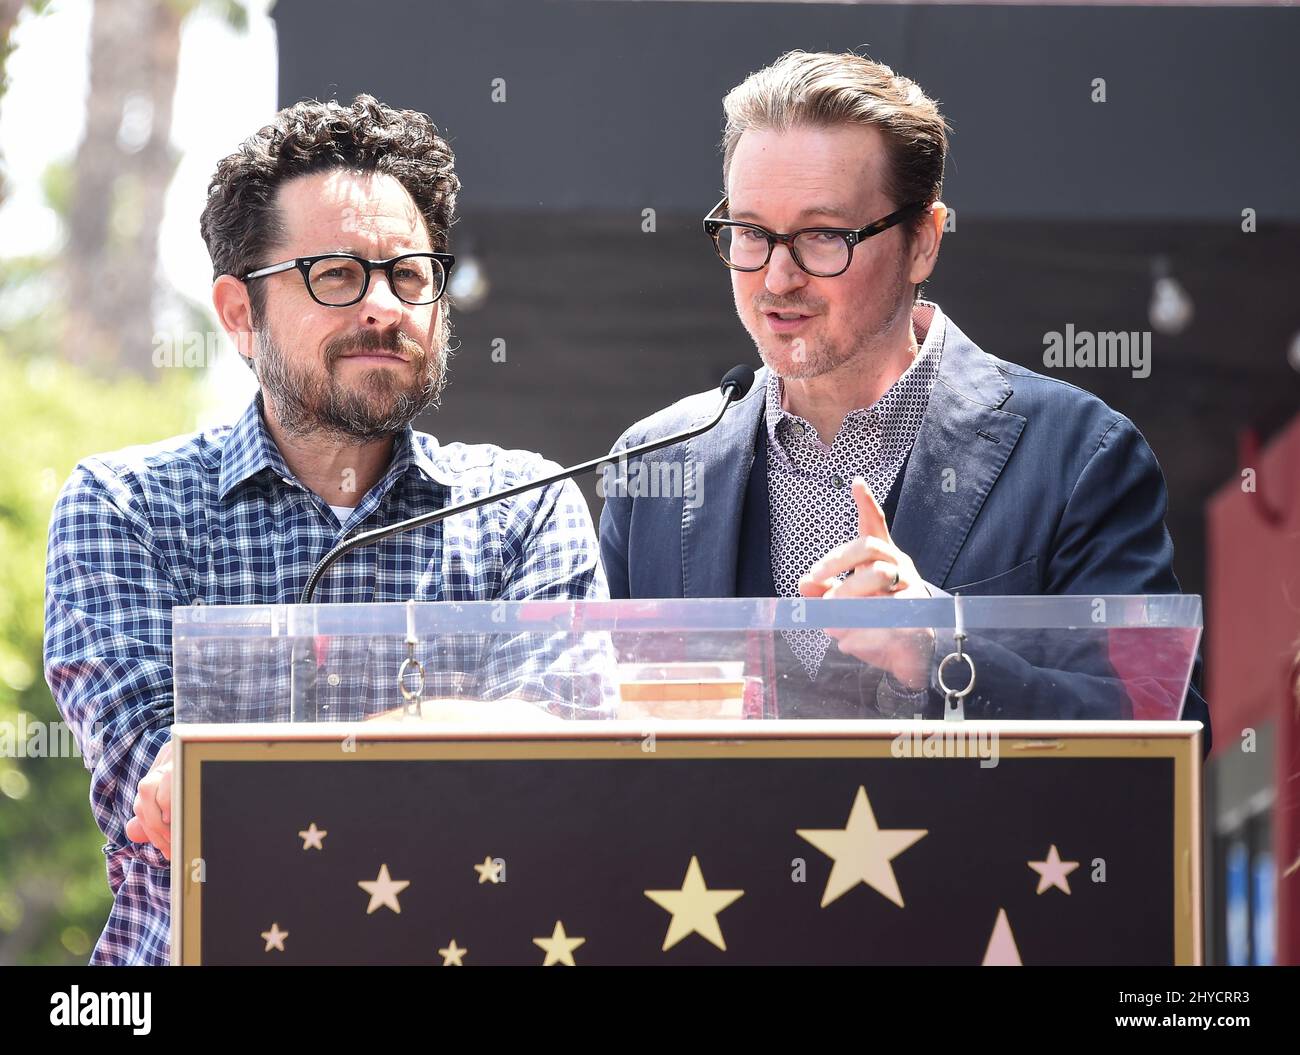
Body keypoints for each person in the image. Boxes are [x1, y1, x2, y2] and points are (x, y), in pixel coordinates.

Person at [43, 94, 607, 966]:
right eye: (337, 275)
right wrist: (449, 731)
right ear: (238, 313)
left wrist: (256, 758)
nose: (383, 305)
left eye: (410, 274)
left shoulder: (523, 507)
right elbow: (171, 797)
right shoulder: (126, 507)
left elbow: (559, 763)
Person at [599, 50, 1211, 744]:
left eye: (822, 236)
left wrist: (944, 650)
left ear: (922, 241)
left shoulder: (1079, 457)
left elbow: (1167, 736)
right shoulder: (653, 469)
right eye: (750, 232)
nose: (777, 276)